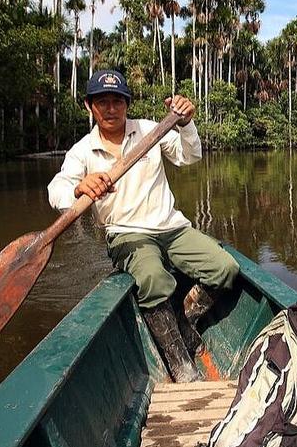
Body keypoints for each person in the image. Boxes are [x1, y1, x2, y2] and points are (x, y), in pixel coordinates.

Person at [48, 70, 238, 382]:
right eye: (103, 102)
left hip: (171, 227)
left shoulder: (150, 130)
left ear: (127, 104)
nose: (111, 109)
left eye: (117, 102)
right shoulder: (83, 150)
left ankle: (181, 319)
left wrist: (186, 123)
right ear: (89, 106)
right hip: (127, 232)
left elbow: (189, 156)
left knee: (225, 268)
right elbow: (57, 190)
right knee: (153, 277)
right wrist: (80, 187)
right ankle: (180, 363)